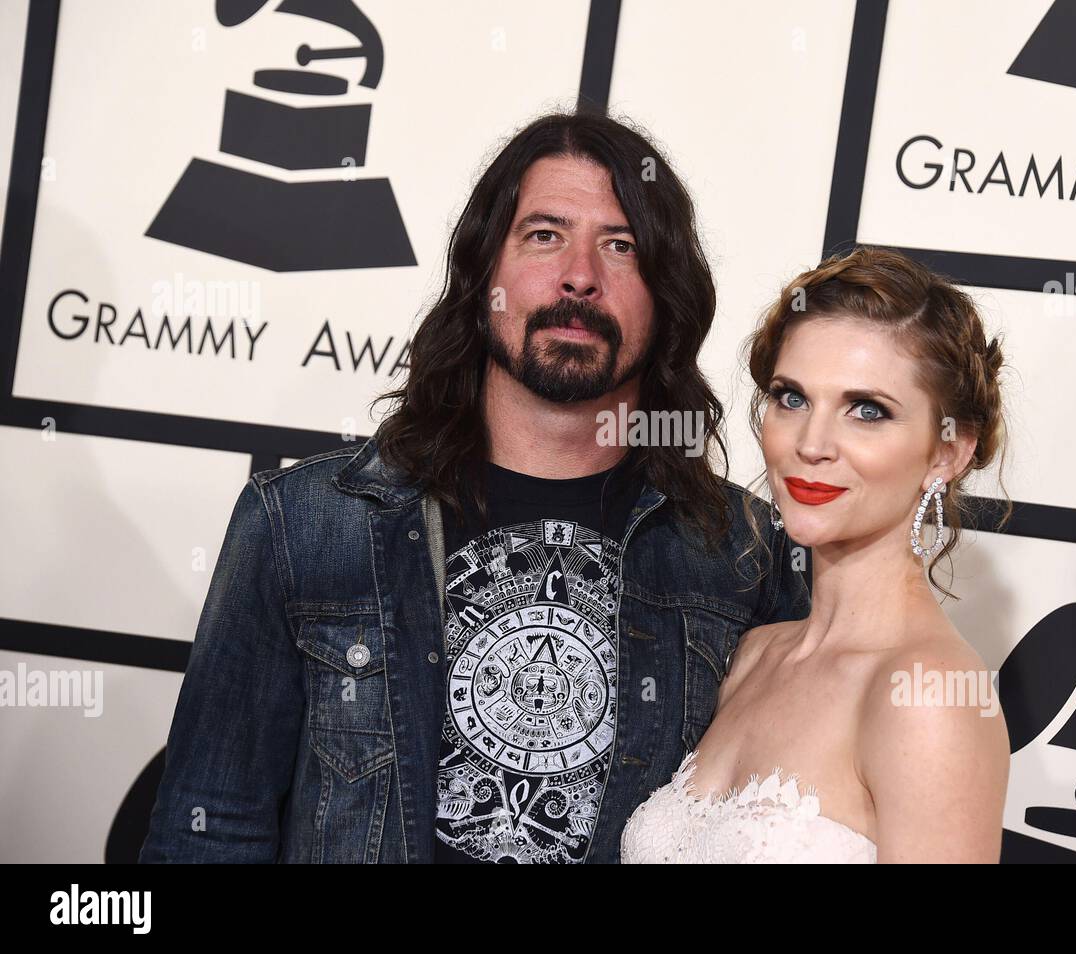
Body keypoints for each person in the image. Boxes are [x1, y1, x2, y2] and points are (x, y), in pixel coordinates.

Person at [137, 109, 810, 863]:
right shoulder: (306, 525)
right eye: (544, 235)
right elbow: (210, 827)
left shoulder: (744, 557)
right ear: (484, 273)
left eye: (620, 247)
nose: (580, 275)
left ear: (666, 299)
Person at [621, 246, 1012, 862]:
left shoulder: (930, 695)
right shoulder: (753, 655)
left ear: (947, 452)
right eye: (792, 398)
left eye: (867, 410)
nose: (811, 443)